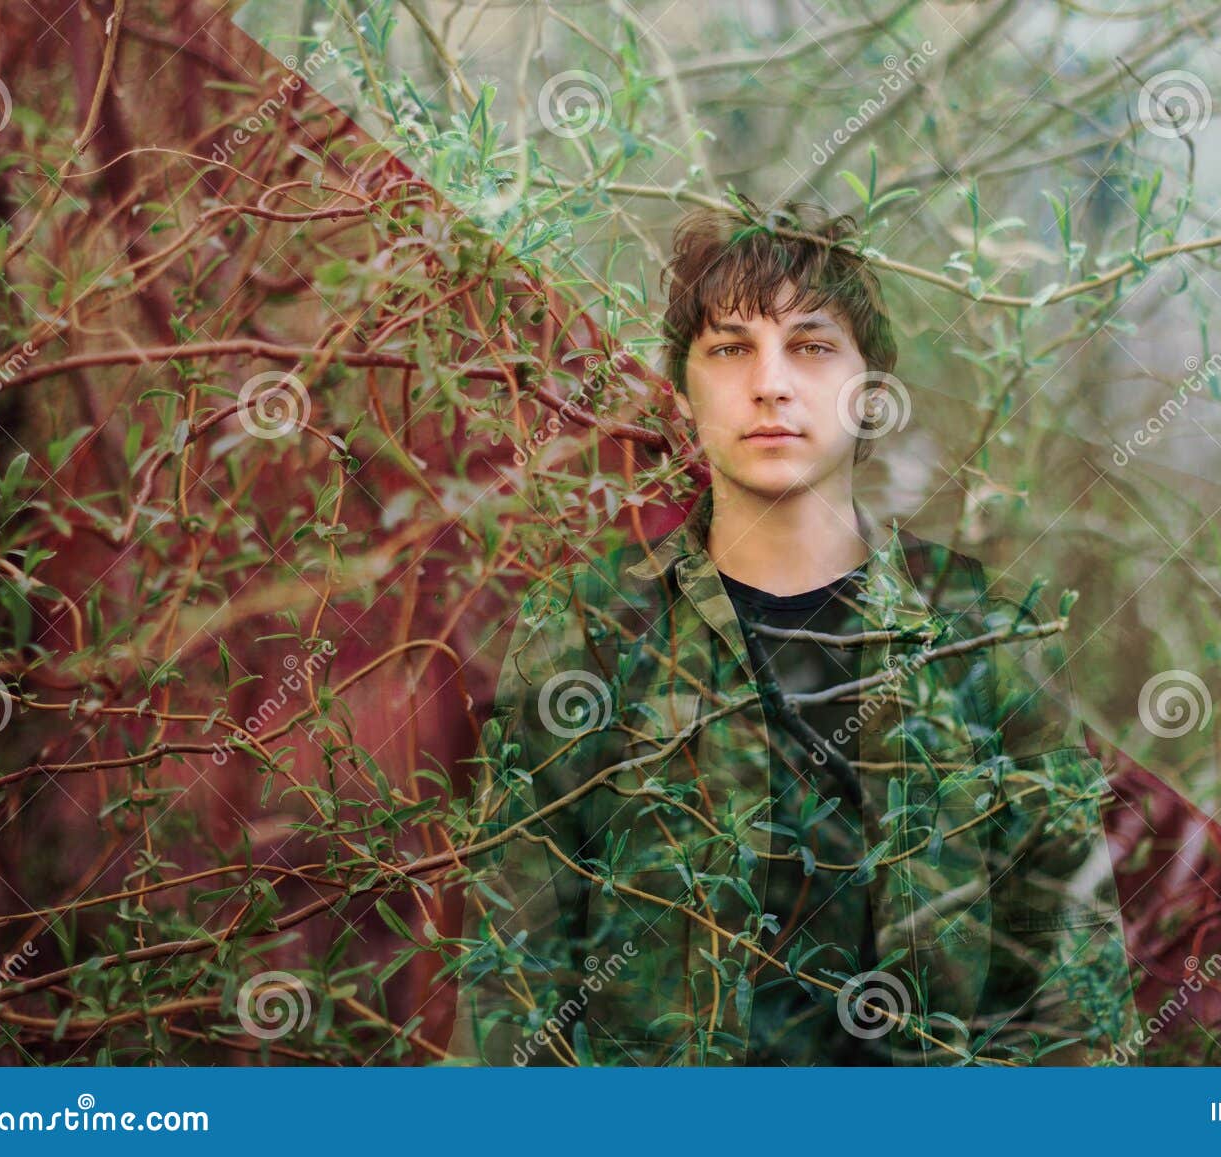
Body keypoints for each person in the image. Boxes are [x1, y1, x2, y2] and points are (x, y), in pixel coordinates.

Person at [446, 197, 1140, 1066]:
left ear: (870, 389)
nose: (770, 382)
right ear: (684, 385)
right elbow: (515, 974)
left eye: (810, 346)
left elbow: (1072, 988)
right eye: (730, 348)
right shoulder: (590, 629)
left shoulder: (985, 634)